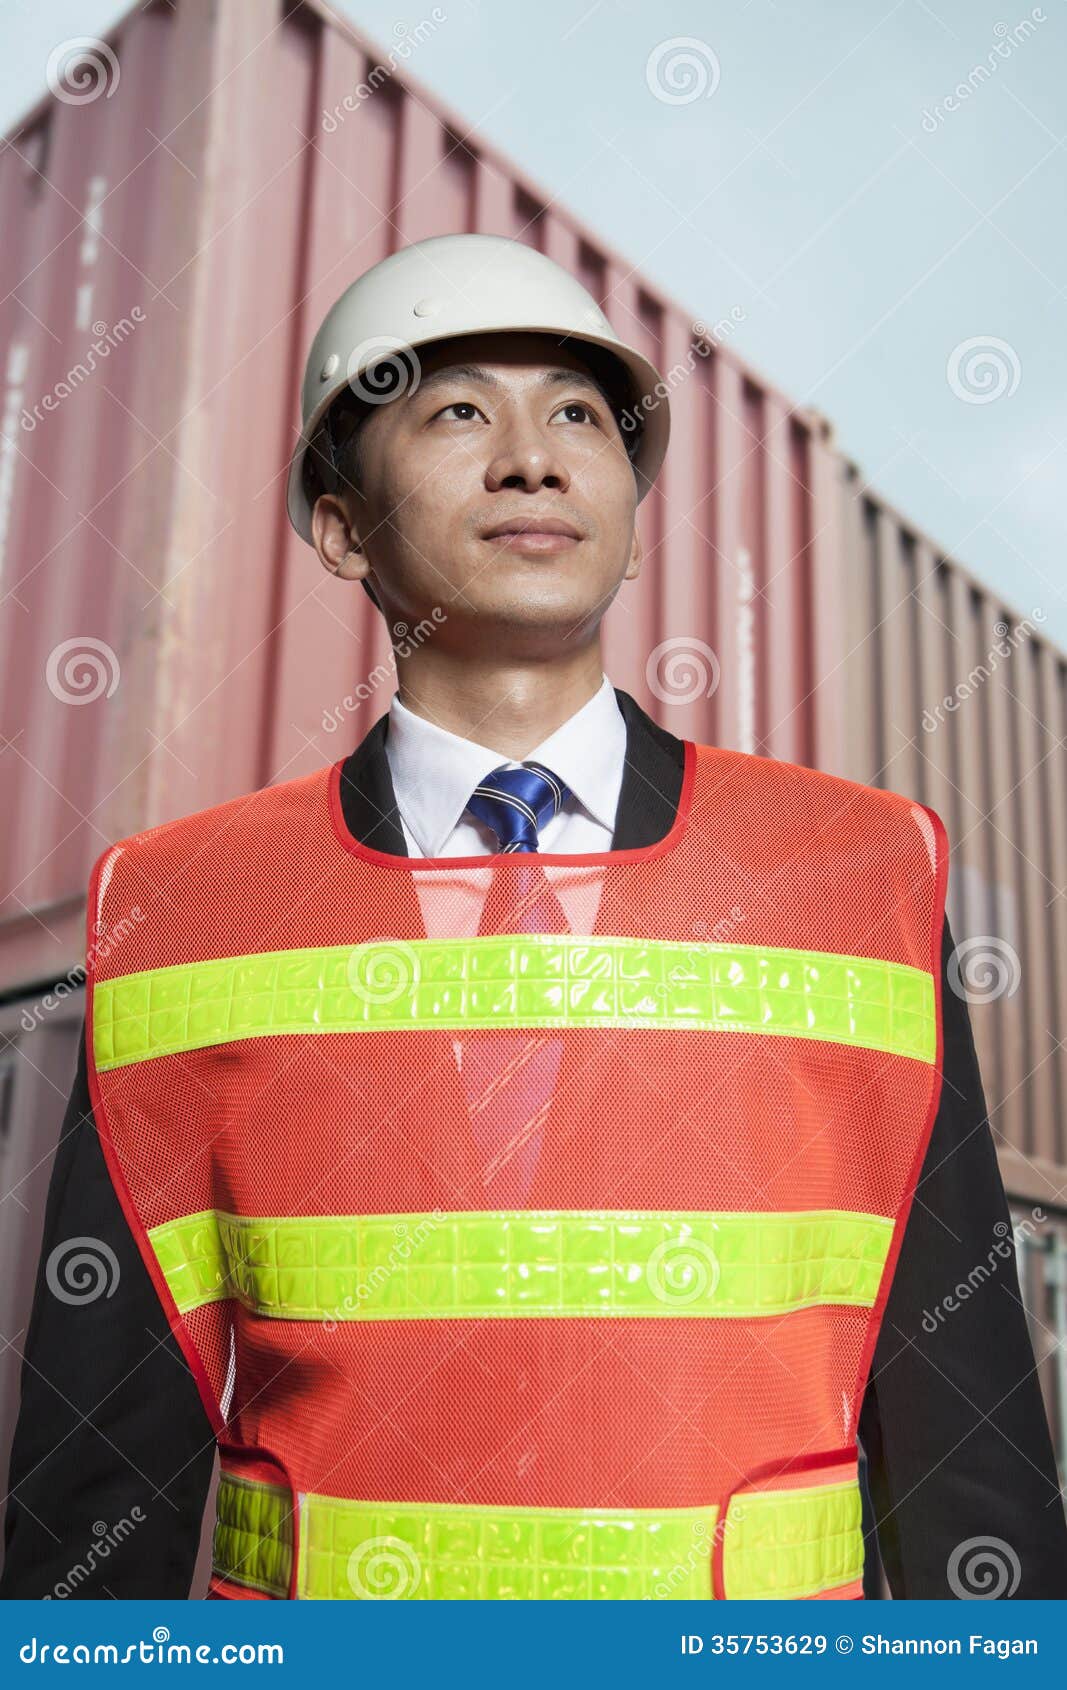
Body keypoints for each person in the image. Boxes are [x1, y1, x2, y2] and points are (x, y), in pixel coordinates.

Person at [2, 235, 1064, 1602]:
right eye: (457, 412)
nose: (533, 456)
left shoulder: (855, 872)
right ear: (339, 524)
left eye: (578, 414)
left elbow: (964, 1435)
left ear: (629, 515)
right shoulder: (177, 909)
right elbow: (100, 1483)